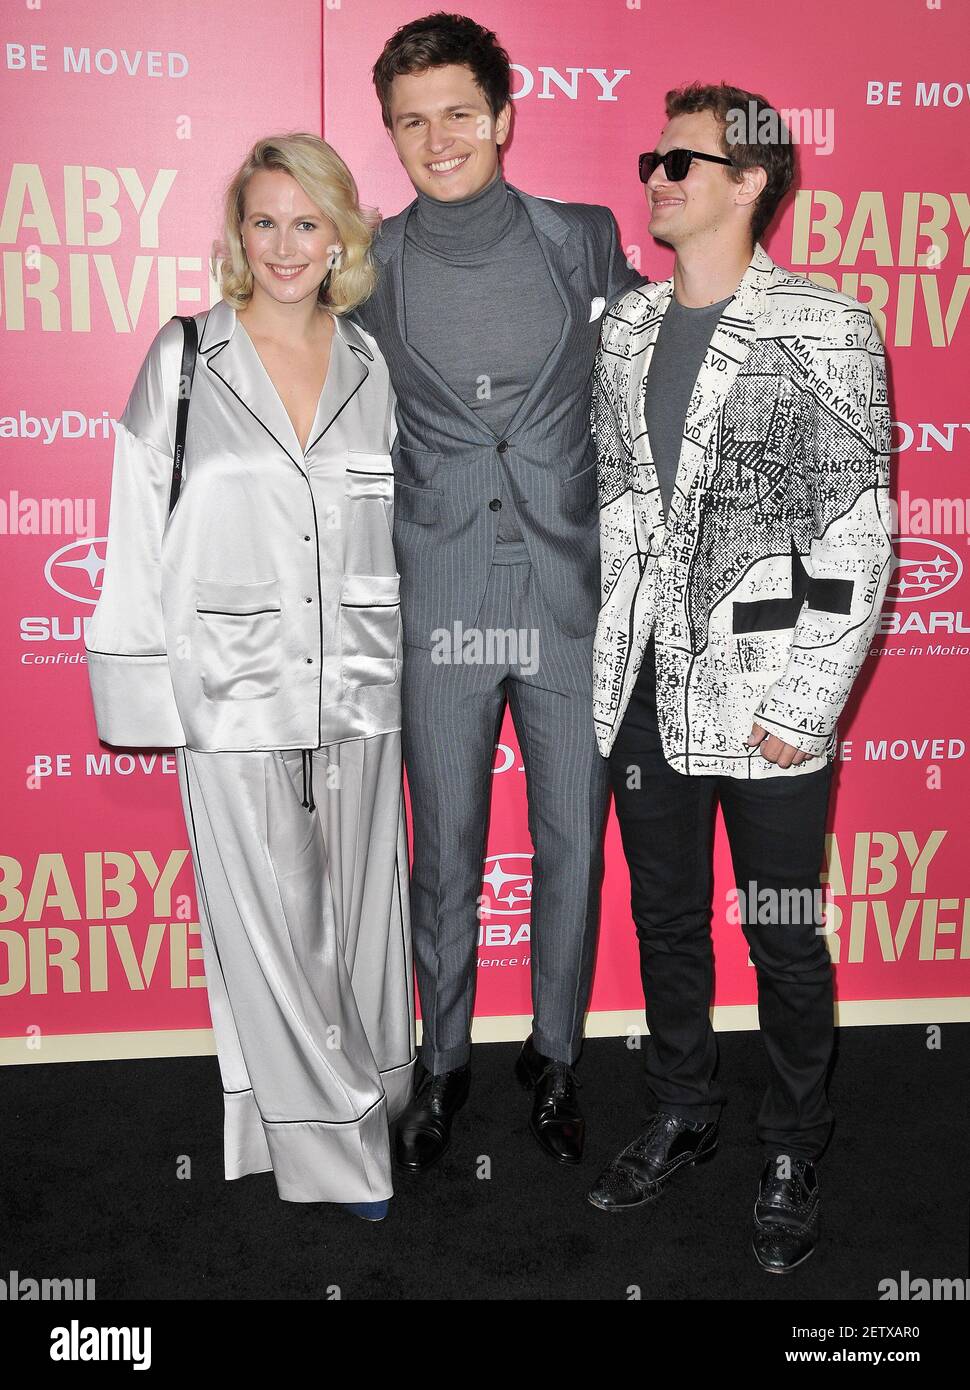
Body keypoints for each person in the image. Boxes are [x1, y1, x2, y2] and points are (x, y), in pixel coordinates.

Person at [587, 83, 892, 1270]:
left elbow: (858, 527)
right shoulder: (621, 328)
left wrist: (805, 699)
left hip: (769, 695)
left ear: (749, 179)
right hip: (646, 685)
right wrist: (603, 661)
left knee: (779, 933)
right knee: (665, 920)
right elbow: (618, 505)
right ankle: (680, 1109)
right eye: (651, 159)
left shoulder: (827, 326)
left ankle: (792, 1138)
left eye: (681, 159)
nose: (656, 175)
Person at [85, 133, 415, 1221]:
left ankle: (370, 1097)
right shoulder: (184, 358)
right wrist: (141, 687)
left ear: (341, 238)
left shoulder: (371, 366)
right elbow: (137, 529)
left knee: (365, 916)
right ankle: (342, 1156)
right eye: (263, 221)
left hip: (361, 686)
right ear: (237, 234)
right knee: (276, 929)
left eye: (305, 222)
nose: (283, 245)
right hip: (227, 692)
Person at [349, 12, 645, 1172]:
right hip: (441, 594)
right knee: (447, 849)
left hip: (568, 592)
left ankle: (558, 1057)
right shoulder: (370, 265)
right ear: (392, 135)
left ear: (504, 118)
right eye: (412, 122)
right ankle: (443, 1063)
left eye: (458, 114)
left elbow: (639, 378)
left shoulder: (581, 239)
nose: (438, 139)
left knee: (576, 837)